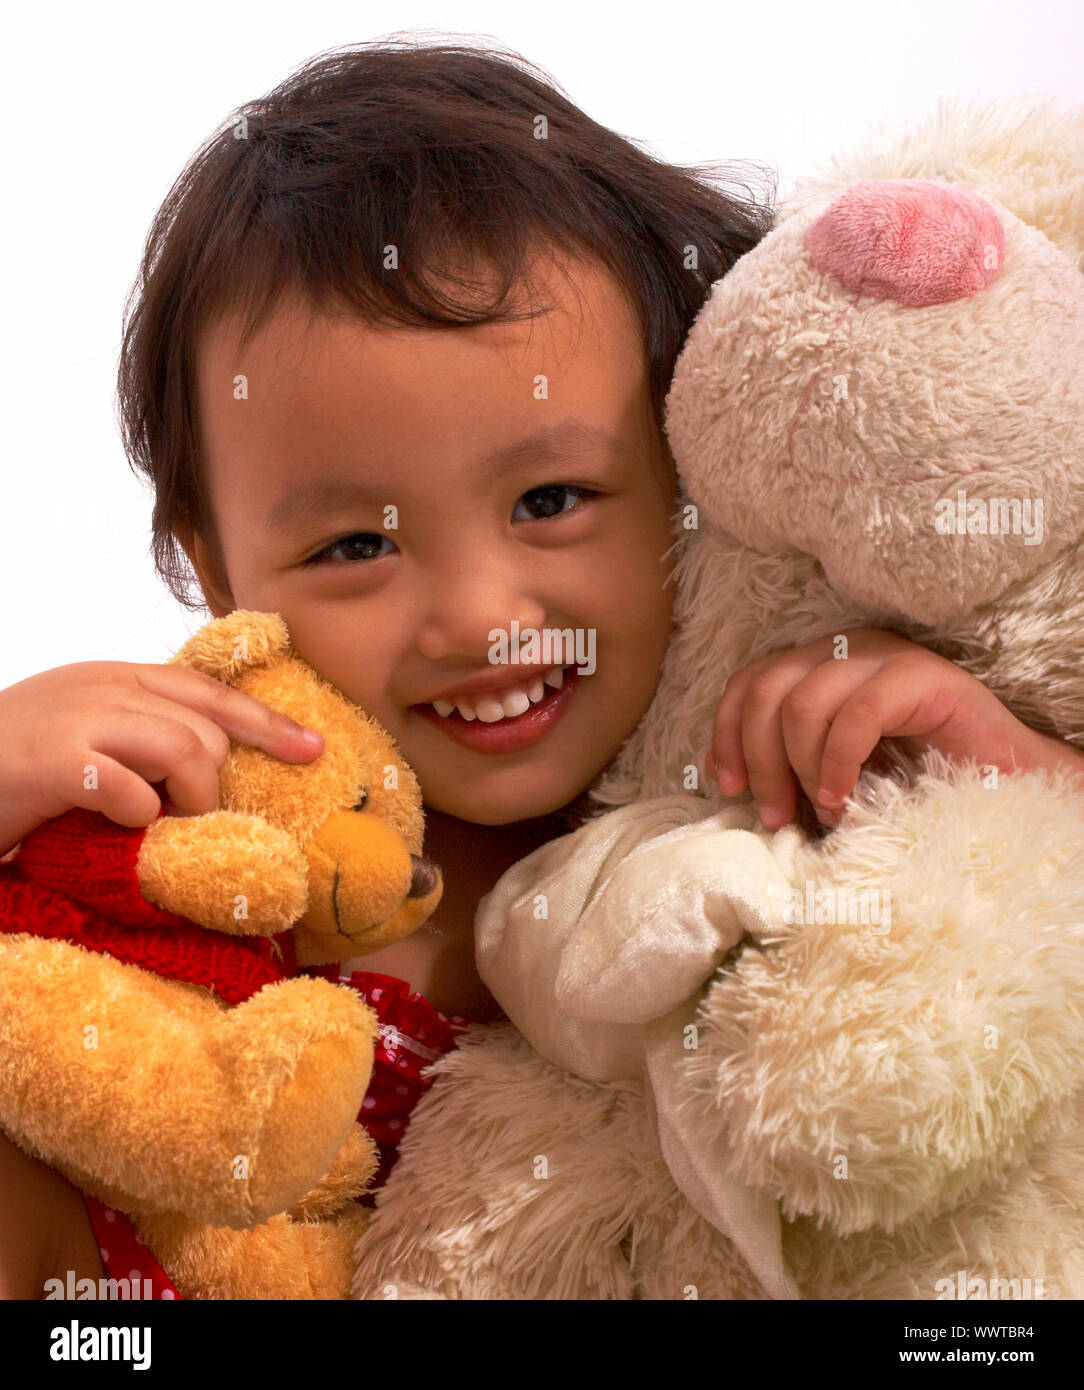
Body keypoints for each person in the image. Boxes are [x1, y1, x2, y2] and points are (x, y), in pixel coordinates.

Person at [2, 38, 1081, 1301]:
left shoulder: (774, 770)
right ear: (216, 564)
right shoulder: (197, 803)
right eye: (355, 544)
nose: (479, 617)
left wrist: (1008, 777)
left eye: (551, 497)